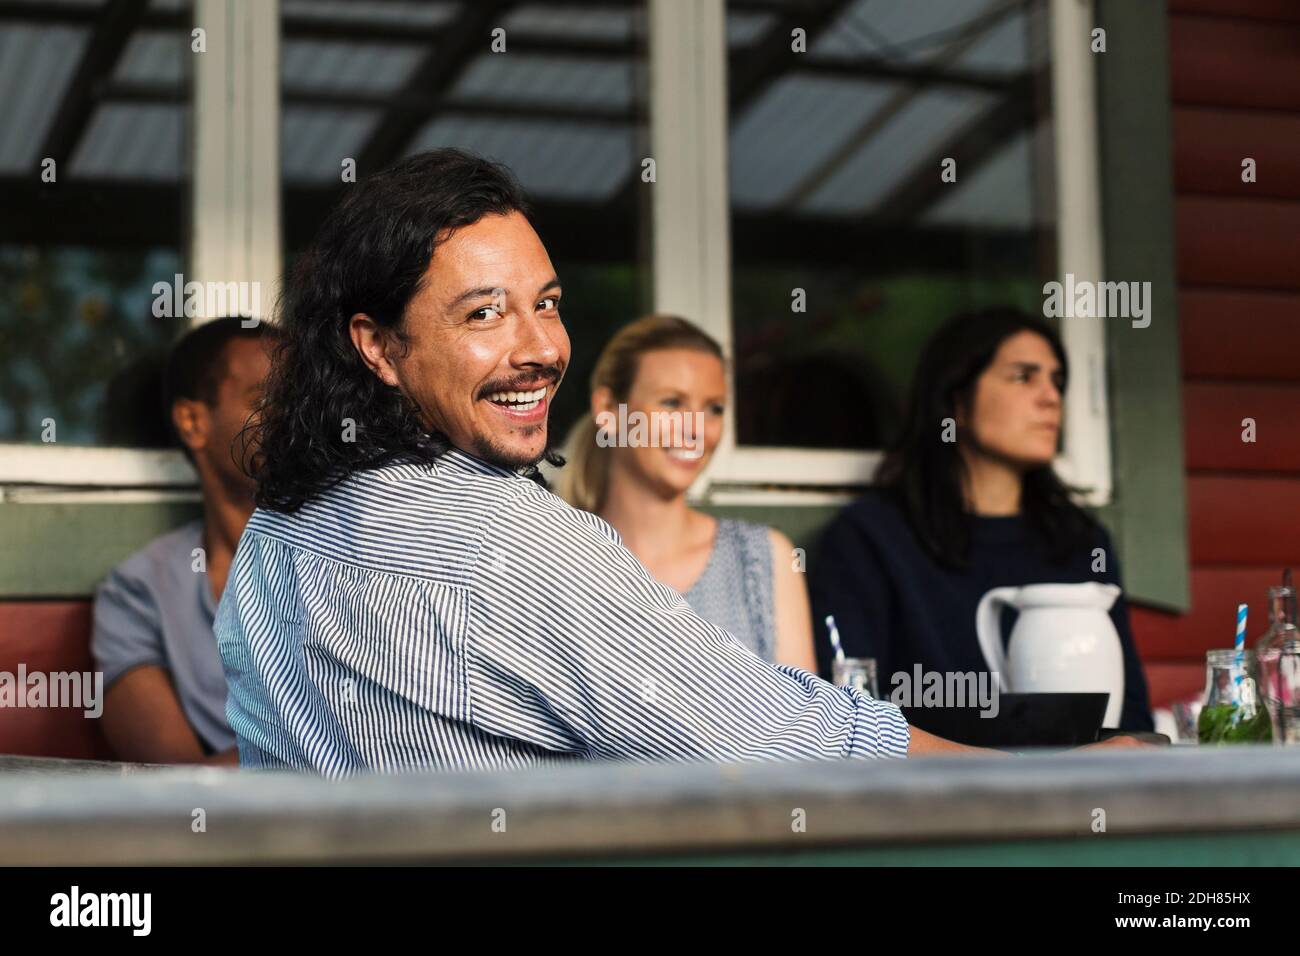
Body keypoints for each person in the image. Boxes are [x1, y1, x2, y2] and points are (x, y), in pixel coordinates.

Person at [217, 149, 1141, 776]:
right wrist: (1053, 774)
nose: (542, 347)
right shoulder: (519, 549)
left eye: (549, 302)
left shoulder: (273, 534)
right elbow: (784, 746)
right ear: (377, 346)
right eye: (485, 314)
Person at [809, 307, 1155, 732]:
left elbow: (1131, 712)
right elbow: (852, 715)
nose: (1051, 397)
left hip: (1080, 788)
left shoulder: (1081, 540)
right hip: (931, 790)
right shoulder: (870, 540)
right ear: (955, 401)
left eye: (1057, 381)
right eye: (1023, 377)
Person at [556, 315, 815, 669]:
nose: (696, 430)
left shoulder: (764, 559)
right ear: (607, 411)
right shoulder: (559, 561)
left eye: (714, 409)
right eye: (672, 402)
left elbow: (806, 721)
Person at [92, 316, 276, 763]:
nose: (296, 416)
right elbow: (175, 791)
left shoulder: (361, 551)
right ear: (193, 421)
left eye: (306, 398)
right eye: (267, 398)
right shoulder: (139, 592)